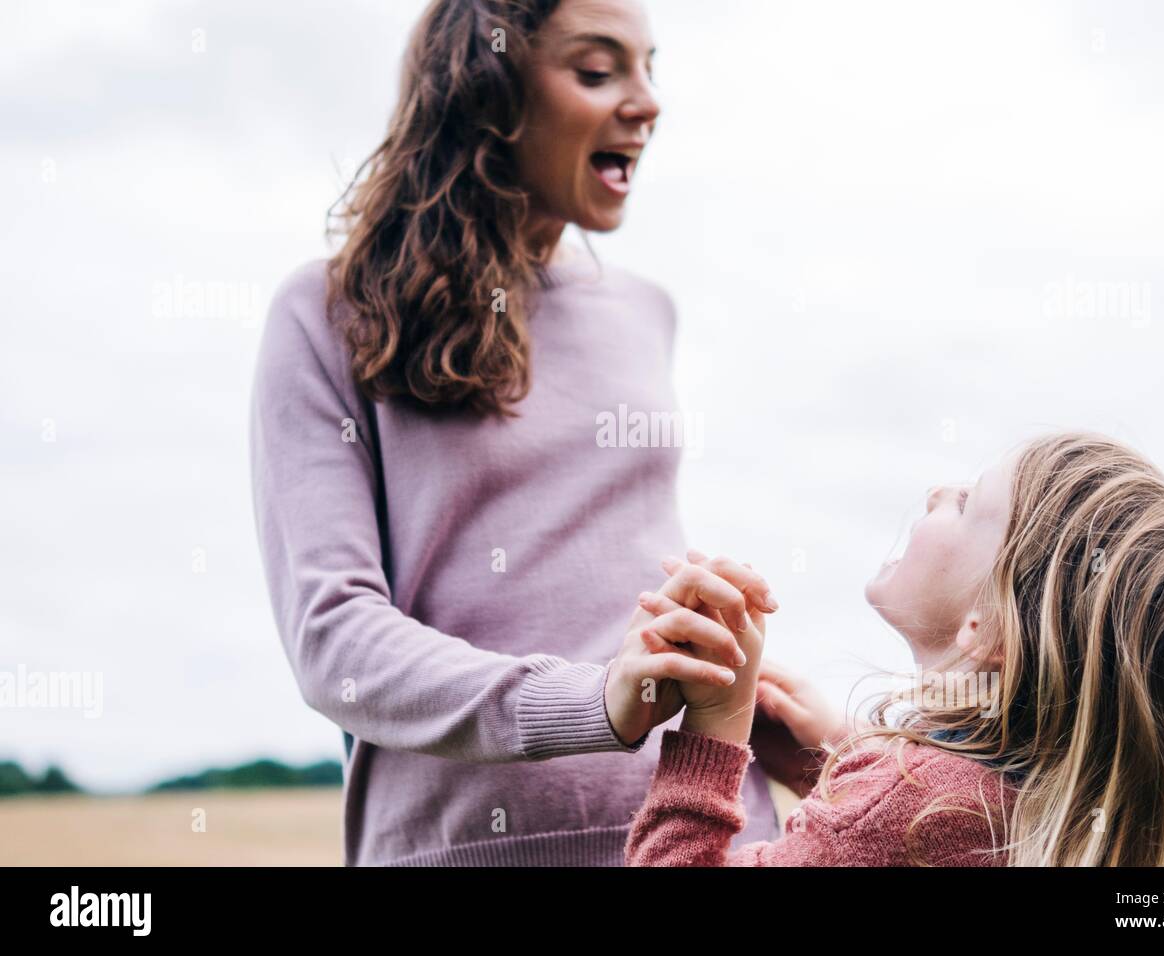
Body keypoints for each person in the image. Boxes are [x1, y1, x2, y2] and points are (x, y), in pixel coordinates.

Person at [249, 0, 780, 866]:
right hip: (459, 847)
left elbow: (619, 567)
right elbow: (333, 638)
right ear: (489, 89)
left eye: (650, 69)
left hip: (704, 835)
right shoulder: (325, 311)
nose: (647, 102)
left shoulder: (648, 311)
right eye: (599, 70)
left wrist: (730, 672)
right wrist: (592, 701)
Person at [626, 432, 1164, 865]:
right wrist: (830, 751)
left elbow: (880, 831)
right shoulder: (1052, 818)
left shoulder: (901, 808)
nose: (939, 490)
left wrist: (714, 728)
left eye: (969, 503)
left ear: (991, 628)